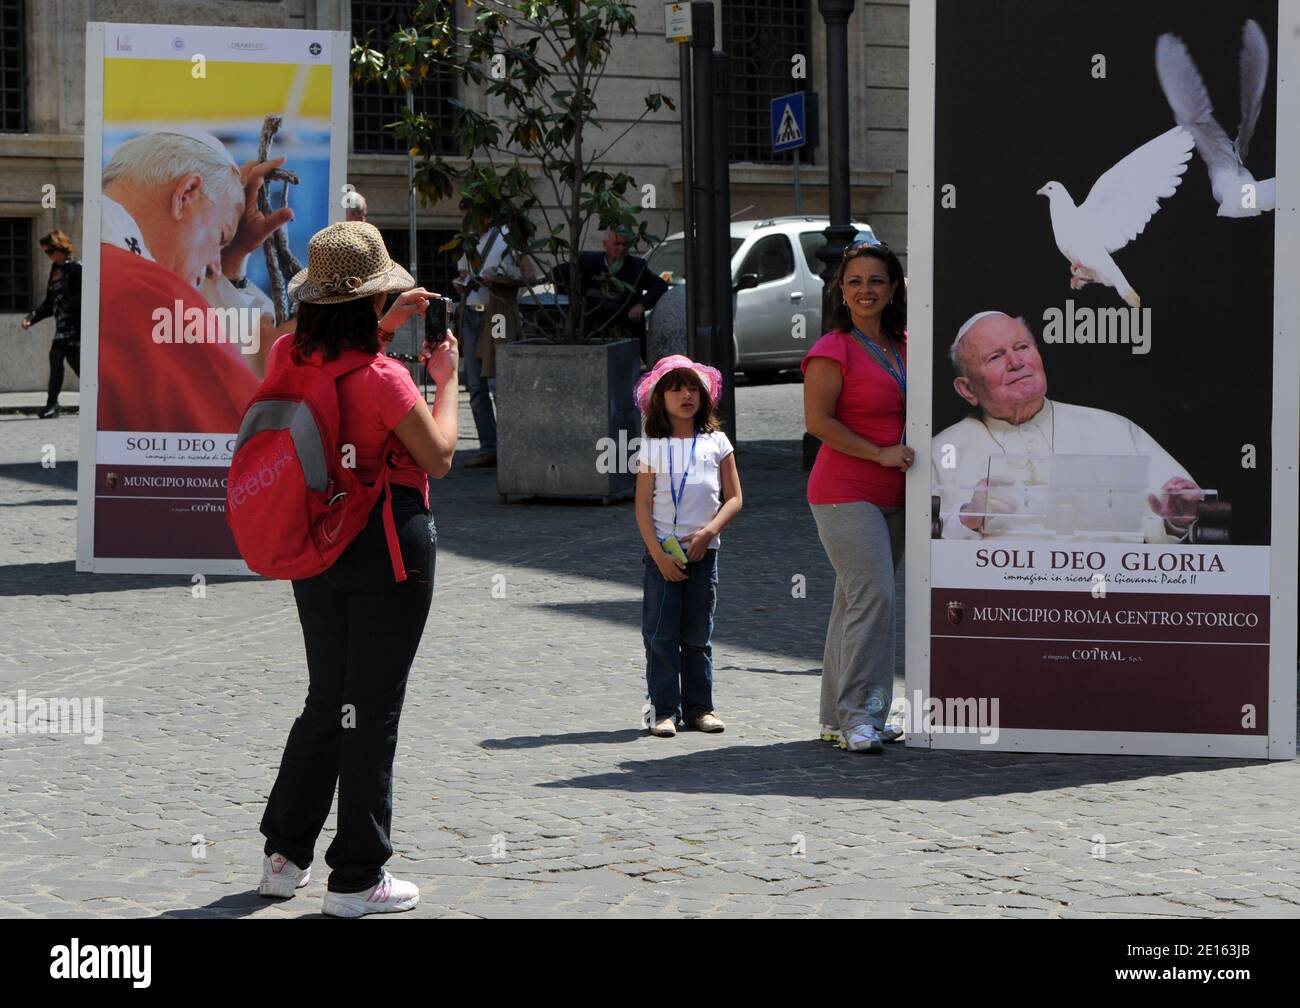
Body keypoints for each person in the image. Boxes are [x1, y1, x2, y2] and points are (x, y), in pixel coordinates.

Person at [257, 221, 459, 918]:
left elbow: (325, 351)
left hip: (315, 540)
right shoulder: (385, 377)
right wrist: (448, 381)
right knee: (371, 709)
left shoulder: (287, 353)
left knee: (327, 697)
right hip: (387, 547)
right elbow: (438, 457)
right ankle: (356, 878)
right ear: (373, 301)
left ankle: (284, 857)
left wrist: (380, 320)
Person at [931, 311, 1202, 543]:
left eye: (1023, 347)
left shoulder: (1110, 428)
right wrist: (969, 518)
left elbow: (1167, 521)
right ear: (967, 389)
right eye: (995, 357)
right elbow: (925, 548)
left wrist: (1174, 519)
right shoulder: (945, 449)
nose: (1016, 362)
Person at [97, 130, 294, 431]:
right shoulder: (156, 293)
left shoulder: (94, 253)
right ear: (186, 193)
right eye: (221, 237)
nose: (215, 265)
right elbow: (250, 436)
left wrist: (234, 261)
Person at [802, 241, 913, 754]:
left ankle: (832, 716)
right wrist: (879, 453)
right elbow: (818, 423)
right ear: (841, 292)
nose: (865, 290)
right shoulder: (833, 347)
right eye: (854, 282)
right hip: (844, 491)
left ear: (893, 289)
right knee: (876, 598)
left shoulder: (908, 343)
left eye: (876, 281)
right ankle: (861, 716)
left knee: (852, 601)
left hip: (898, 492)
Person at [634, 355, 743, 737]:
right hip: (663, 555)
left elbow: (734, 498)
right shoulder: (653, 447)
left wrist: (708, 534)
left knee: (698, 635)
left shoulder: (717, 442)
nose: (686, 395)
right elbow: (643, 508)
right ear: (659, 399)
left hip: (703, 553)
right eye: (676, 388)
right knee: (661, 634)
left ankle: (700, 708)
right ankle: (664, 710)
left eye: (693, 387)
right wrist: (659, 555)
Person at [453, 224, 524, 468]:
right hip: (471, 314)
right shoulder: (469, 239)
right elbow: (463, 275)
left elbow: (526, 275)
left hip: (496, 316)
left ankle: (509, 447)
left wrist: (498, 280)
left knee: (497, 383)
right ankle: (489, 447)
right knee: (475, 386)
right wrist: (461, 283)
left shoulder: (507, 235)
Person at [552, 226, 668, 360]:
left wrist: (641, 305)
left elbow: (660, 285)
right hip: (592, 334)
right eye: (616, 244)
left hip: (626, 333)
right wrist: (574, 303)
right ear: (605, 245)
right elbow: (557, 274)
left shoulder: (637, 266)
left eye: (625, 244)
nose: (621, 248)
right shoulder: (587, 262)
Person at [21, 230, 82, 419]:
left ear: (60, 247)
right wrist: (32, 317)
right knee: (71, 364)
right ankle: (53, 404)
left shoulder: (75, 268)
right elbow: (49, 302)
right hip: (62, 327)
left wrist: (66, 304)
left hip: (76, 327)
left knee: (60, 358)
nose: (48, 256)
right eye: (46, 252)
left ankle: (53, 404)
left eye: (50, 251)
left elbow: (84, 296)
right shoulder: (54, 270)